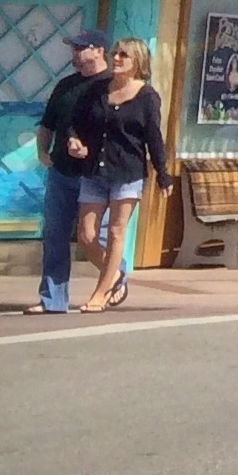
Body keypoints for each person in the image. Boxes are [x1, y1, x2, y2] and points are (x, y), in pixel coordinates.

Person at [64, 37, 173, 313]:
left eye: (124, 55)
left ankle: (100, 294)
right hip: (94, 170)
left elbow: (153, 137)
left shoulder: (147, 96)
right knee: (86, 235)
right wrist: (74, 141)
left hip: (127, 172)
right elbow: (75, 123)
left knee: (115, 232)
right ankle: (115, 275)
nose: (116, 58)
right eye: (115, 53)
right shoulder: (97, 89)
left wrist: (163, 173)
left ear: (138, 61)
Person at [24, 29, 111, 315]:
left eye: (81, 47)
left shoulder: (111, 85)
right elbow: (47, 124)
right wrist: (42, 152)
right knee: (54, 235)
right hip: (61, 171)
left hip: (94, 175)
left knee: (92, 237)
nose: (75, 53)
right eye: (73, 48)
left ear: (99, 50)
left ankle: (115, 276)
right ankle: (53, 299)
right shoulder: (65, 86)